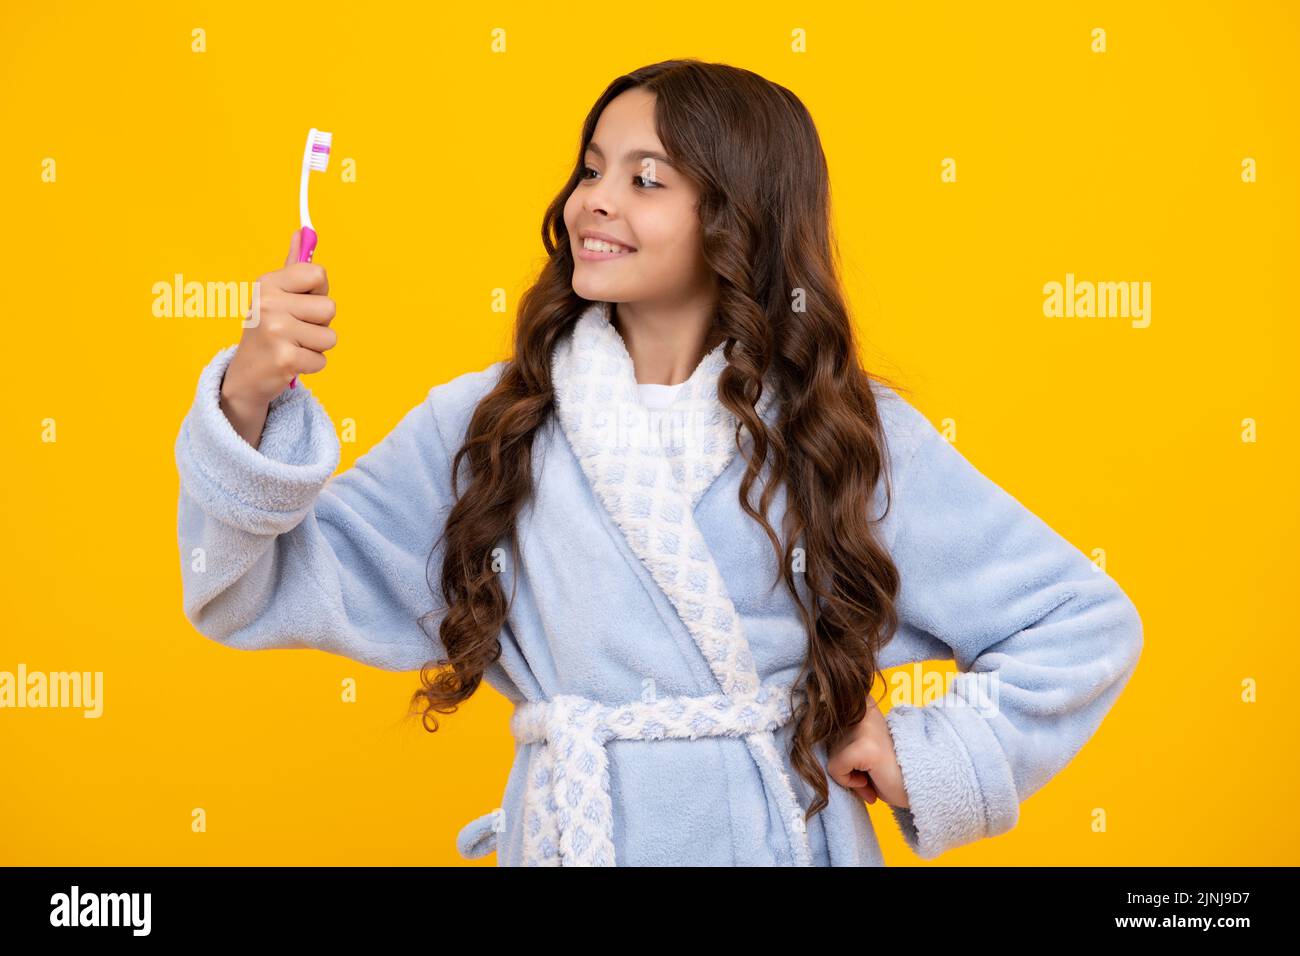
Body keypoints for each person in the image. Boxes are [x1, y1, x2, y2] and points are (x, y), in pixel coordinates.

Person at [174, 59, 1143, 866]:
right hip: (570, 832)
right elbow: (249, 590)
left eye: (646, 178)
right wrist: (249, 399)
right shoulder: (489, 422)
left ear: (739, 217)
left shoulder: (835, 430)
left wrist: (922, 751)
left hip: (780, 837)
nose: (593, 199)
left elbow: (1078, 619)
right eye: (592, 168)